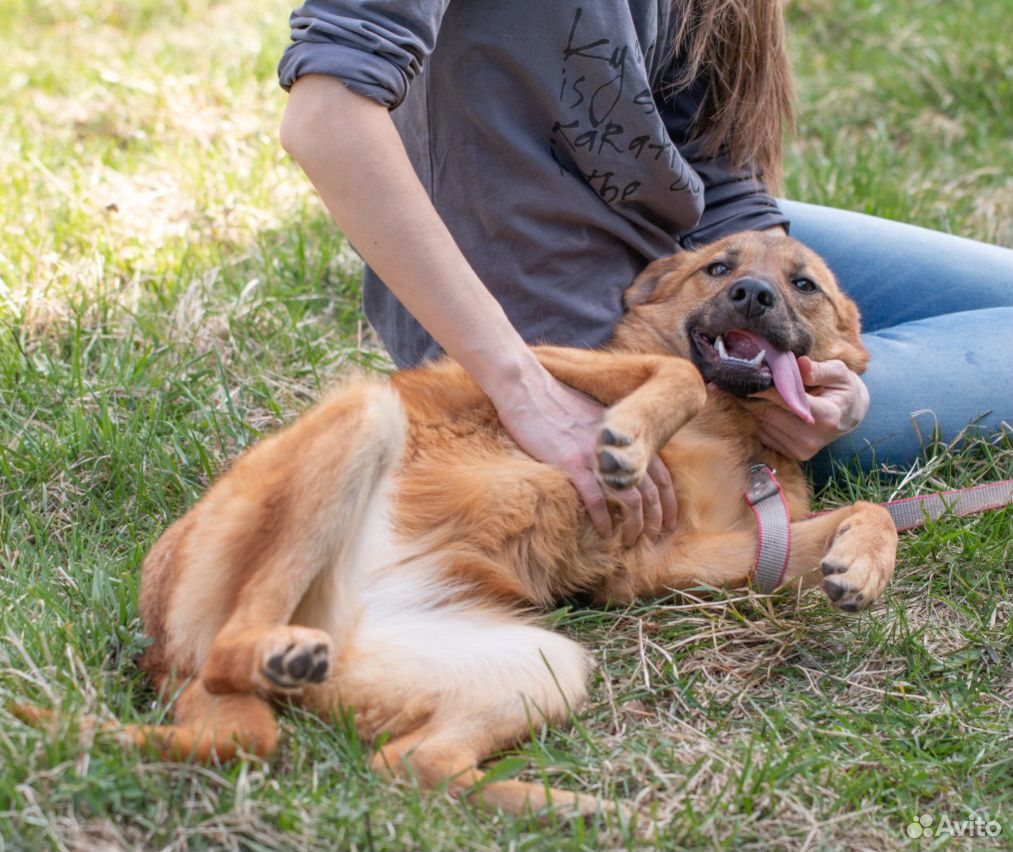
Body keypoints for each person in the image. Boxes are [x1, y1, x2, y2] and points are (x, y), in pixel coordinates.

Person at [276, 1, 1013, 543]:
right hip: (583, 352)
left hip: (694, 262)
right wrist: (520, 385)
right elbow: (327, 116)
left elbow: (720, 180)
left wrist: (835, 392)